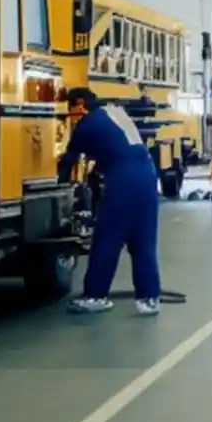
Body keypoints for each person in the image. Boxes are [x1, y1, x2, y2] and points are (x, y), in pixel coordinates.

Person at [58, 87, 162, 315]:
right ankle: (149, 298)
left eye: (71, 108)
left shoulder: (86, 125)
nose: (70, 114)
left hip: (123, 179)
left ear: (80, 103)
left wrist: (58, 178)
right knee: (142, 239)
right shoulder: (116, 112)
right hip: (147, 175)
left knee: (108, 238)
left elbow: (69, 160)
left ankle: (95, 296)